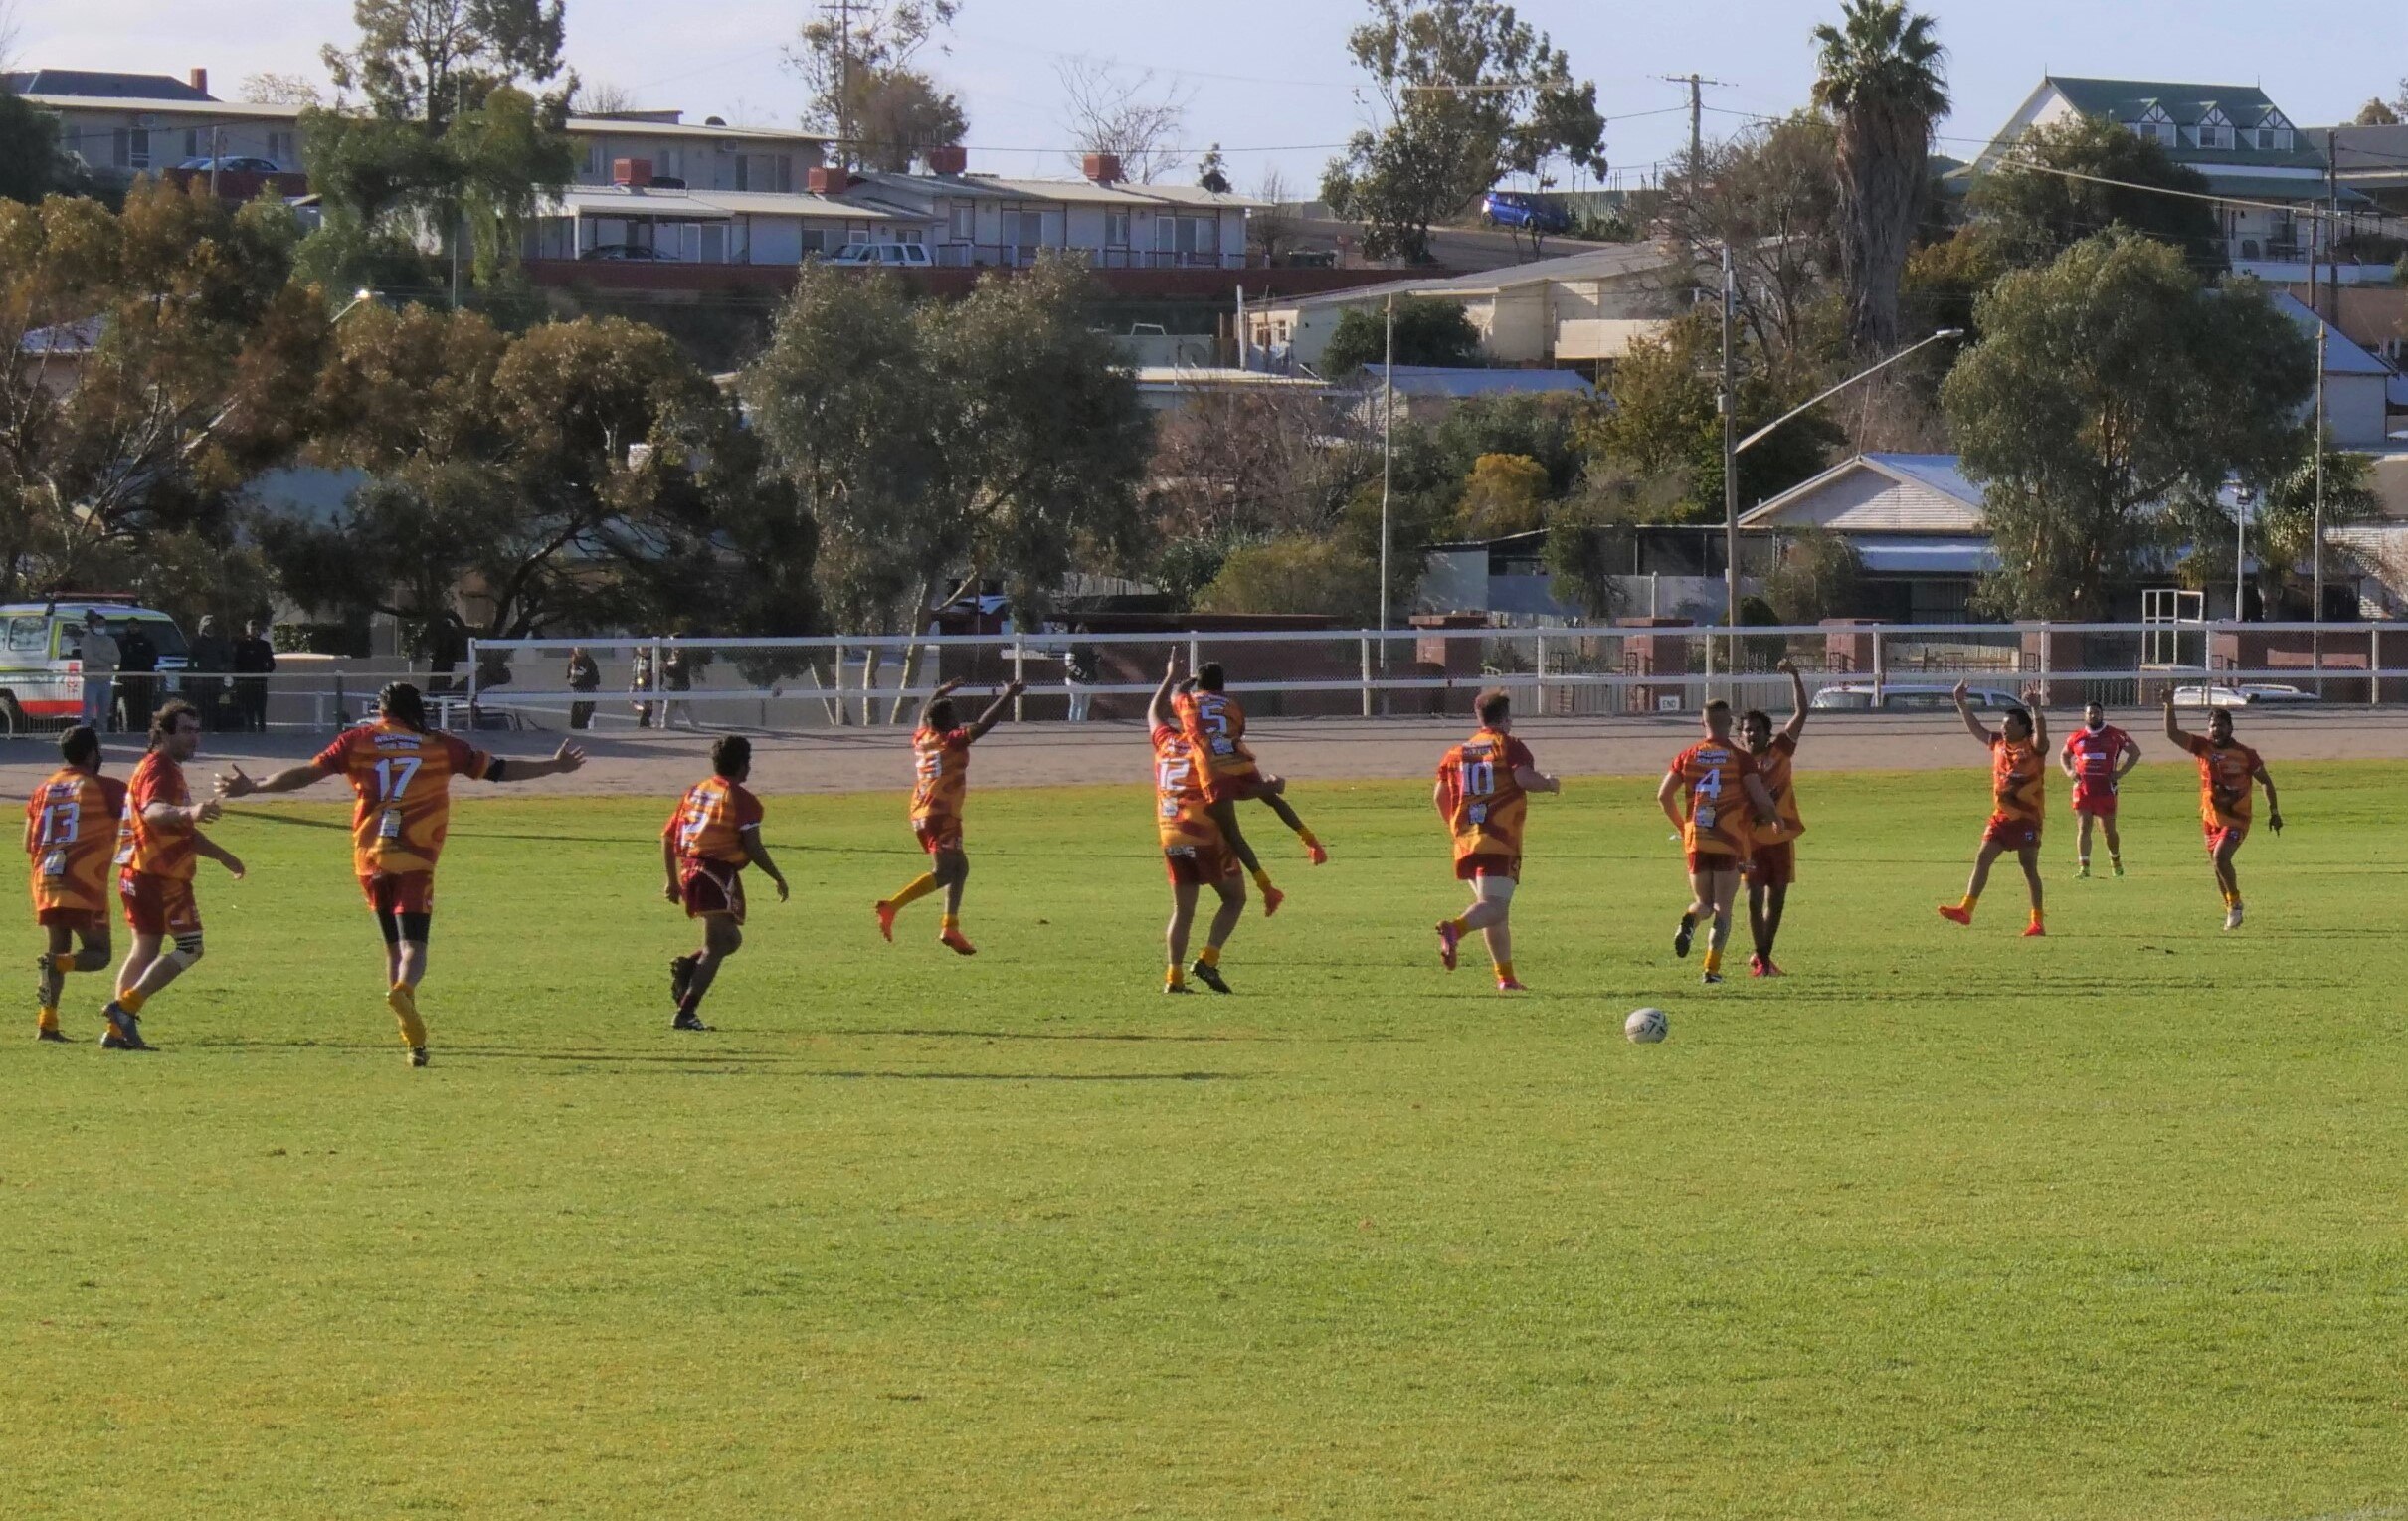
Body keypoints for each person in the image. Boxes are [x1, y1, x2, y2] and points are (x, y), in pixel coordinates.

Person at [214, 682, 586, 1066]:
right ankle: (404, 992)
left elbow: (306, 774)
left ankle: (413, 1041)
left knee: (392, 947)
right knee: (415, 949)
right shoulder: (441, 746)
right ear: (417, 709)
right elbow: (500, 770)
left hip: (369, 858)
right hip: (415, 859)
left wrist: (254, 787)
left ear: (381, 710)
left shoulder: (356, 741)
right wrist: (554, 766)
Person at [100, 700, 245, 1052]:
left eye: (197, 731)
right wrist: (190, 810)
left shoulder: (160, 768)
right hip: (161, 876)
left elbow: (181, 830)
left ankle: (118, 1032)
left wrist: (223, 856)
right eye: (185, 731)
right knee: (190, 947)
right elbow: (155, 812)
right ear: (163, 733)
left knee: (145, 949)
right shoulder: (160, 769)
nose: (194, 739)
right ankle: (125, 1009)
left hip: (139, 871)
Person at [874, 676, 1024, 955]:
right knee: (945, 872)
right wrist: (1008, 696)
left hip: (922, 812)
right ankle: (891, 907)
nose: (958, 723)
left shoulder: (923, 738)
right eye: (953, 718)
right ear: (944, 724)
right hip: (941, 813)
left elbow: (924, 715)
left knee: (960, 868)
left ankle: (950, 926)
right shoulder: (950, 742)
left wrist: (940, 692)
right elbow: (984, 725)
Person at [1433, 687, 1560, 993]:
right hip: (1499, 838)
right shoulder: (1508, 745)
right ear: (1504, 718)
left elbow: (1439, 796)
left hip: (1467, 840)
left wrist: (1455, 828)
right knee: (1496, 907)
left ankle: (1506, 978)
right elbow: (1523, 779)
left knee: (1491, 908)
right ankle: (1455, 929)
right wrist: (1549, 784)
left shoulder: (1456, 752)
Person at [1176, 661, 1327, 916]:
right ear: (1222, 685)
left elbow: (1176, 692)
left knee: (1234, 835)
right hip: (1239, 760)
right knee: (1271, 798)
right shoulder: (1232, 705)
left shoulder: (1187, 703)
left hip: (1212, 769)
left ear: (1198, 685)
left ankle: (1268, 888)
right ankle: (1311, 842)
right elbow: (1239, 730)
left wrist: (1189, 681)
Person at [661, 735, 789, 1031]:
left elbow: (668, 837)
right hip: (713, 873)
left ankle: (689, 967)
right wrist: (777, 877)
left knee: (730, 941)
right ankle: (685, 1013)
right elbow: (753, 846)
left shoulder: (696, 792)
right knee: (717, 946)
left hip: (694, 871)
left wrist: (672, 880)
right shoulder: (742, 800)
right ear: (744, 764)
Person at [1659, 699, 1780, 985]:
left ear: (1703, 724)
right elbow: (1760, 796)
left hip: (1697, 839)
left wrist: (1682, 824)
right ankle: (1711, 970)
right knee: (1722, 908)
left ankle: (1691, 918)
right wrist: (1776, 818)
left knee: (1703, 902)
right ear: (1728, 724)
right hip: (1728, 839)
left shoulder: (1687, 756)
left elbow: (1663, 796)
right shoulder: (1740, 758)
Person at [1147, 655, 1246, 993]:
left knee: (1183, 911)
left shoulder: (1165, 742)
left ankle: (1173, 978)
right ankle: (1208, 959)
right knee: (1235, 899)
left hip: (1170, 832)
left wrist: (1172, 679)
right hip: (1203, 831)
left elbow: (1153, 713)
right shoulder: (1206, 747)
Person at [26, 725, 126, 1042]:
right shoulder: (107, 788)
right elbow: (142, 816)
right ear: (92, 753)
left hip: (46, 879)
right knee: (99, 953)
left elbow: (29, 841)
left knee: (58, 946)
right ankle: (57, 964)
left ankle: (48, 1022)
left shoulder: (44, 789)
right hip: (83, 882)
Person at [1938, 682, 2051, 936]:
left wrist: (2036, 710)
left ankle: (2038, 921)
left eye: (2010, 724)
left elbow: (2041, 736)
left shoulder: (2033, 747)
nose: (2004, 727)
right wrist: (1961, 703)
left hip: (2027, 819)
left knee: (2029, 867)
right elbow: (1976, 729)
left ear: (2023, 727)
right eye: (2003, 724)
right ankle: (1966, 909)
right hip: (2001, 817)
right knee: (1983, 857)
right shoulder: (1998, 743)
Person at [2163, 692, 2283, 930]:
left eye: (2220, 725)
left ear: (2230, 728)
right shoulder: (2202, 747)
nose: (2215, 730)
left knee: (2221, 857)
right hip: (2210, 817)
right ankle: (2231, 907)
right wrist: (2169, 705)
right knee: (2217, 866)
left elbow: (2265, 781)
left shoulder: (2246, 755)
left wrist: (2274, 811)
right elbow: (2173, 734)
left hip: (2237, 818)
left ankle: (2236, 904)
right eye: (2212, 725)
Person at [1740, 659, 1811, 978]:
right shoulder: (1736, 764)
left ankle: (1763, 958)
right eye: (1746, 730)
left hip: (1781, 839)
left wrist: (1795, 676)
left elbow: (1802, 713)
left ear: (1768, 734)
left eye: (1756, 730)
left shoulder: (1780, 750)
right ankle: (1763, 960)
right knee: (1754, 899)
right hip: (1750, 842)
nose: (1751, 734)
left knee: (1777, 899)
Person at [2059, 701, 2140, 878]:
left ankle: (2115, 861)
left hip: (2105, 790)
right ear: (2084, 715)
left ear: (2102, 714)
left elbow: (2135, 752)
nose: (2093, 716)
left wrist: (2120, 773)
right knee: (2084, 827)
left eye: (2096, 713)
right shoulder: (2077, 736)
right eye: (2089, 713)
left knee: (2108, 830)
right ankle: (2084, 867)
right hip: (2083, 790)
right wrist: (2069, 771)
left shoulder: (2115, 735)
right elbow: (2064, 754)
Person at [77, 614, 119, 733]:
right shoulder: (86, 640)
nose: (101, 627)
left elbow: (117, 658)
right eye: (98, 625)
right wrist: (106, 661)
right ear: (92, 625)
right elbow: (90, 660)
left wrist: (100, 655)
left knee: (104, 713)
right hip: (91, 681)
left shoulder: (110, 640)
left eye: (103, 625)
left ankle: (103, 736)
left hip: (106, 681)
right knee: (88, 712)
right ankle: (83, 735)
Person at [187, 615, 232, 729]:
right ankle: (202, 727)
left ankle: (216, 727)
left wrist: (224, 669)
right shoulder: (197, 642)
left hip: (217, 681)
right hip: (202, 681)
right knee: (201, 706)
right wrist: (194, 675)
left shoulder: (220, 642)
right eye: (207, 626)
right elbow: (191, 661)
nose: (210, 628)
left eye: (212, 626)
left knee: (218, 705)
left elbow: (228, 659)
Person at [114, 621, 157, 736]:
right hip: (128, 681)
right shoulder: (123, 643)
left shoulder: (147, 641)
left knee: (146, 706)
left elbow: (154, 659)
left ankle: (146, 728)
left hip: (145, 680)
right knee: (130, 706)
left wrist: (141, 659)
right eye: (131, 626)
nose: (133, 628)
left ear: (140, 627)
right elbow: (121, 659)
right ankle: (131, 729)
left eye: (136, 626)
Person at [232, 619, 276, 732]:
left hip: (260, 682)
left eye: (255, 628)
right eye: (251, 628)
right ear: (247, 630)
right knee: (248, 710)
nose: (253, 631)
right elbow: (236, 664)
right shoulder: (241, 645)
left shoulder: (264, 645)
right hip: (246, 683)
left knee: (261, 710)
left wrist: (264, 672)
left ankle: (262, 731)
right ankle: (250, 732)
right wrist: (241, 677)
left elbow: (271, 664)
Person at [1064, 628, 1097, 723]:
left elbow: (1091, 662)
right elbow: (1069, 663)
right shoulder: (1073, 647)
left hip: (1088, 681)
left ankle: (1083, 727)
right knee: (1075, 704)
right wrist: (1081, 674)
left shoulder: (1089, 647)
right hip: (1075, 681)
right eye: (1085, 633)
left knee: (1085, 706)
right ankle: (1073, 727)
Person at [661, 640, 695, 730]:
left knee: (686, 709)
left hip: (681, 687)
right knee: (668, 711)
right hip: (671, 687)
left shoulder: (684, 656)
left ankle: (696, 727)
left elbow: (680, 672)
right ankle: (666, 727)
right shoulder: (670, 654)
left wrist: (666, 668)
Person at [566, 647, 602, 731]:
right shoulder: (572, 663)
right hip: (576, 696)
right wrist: (573, 681)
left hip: (587, 696)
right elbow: (569, 677)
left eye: (582, 648)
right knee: (574, 722)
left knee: (583, 721)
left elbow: (596, 680)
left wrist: (583, 680)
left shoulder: (590, 663)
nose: (580, 650)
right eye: (578, 648)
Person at [630, 646, 656, 729]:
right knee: (639, 707)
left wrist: (648, 676)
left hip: (649, 687)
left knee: (647, 710)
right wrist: (634, 685)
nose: (644, 650)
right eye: (642, 648)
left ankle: (644, 726)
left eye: (646, 648)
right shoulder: (637, 659)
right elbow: (634, 674)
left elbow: (656, 675)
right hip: (639, 687)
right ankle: (645, 725)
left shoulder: (653, 659)